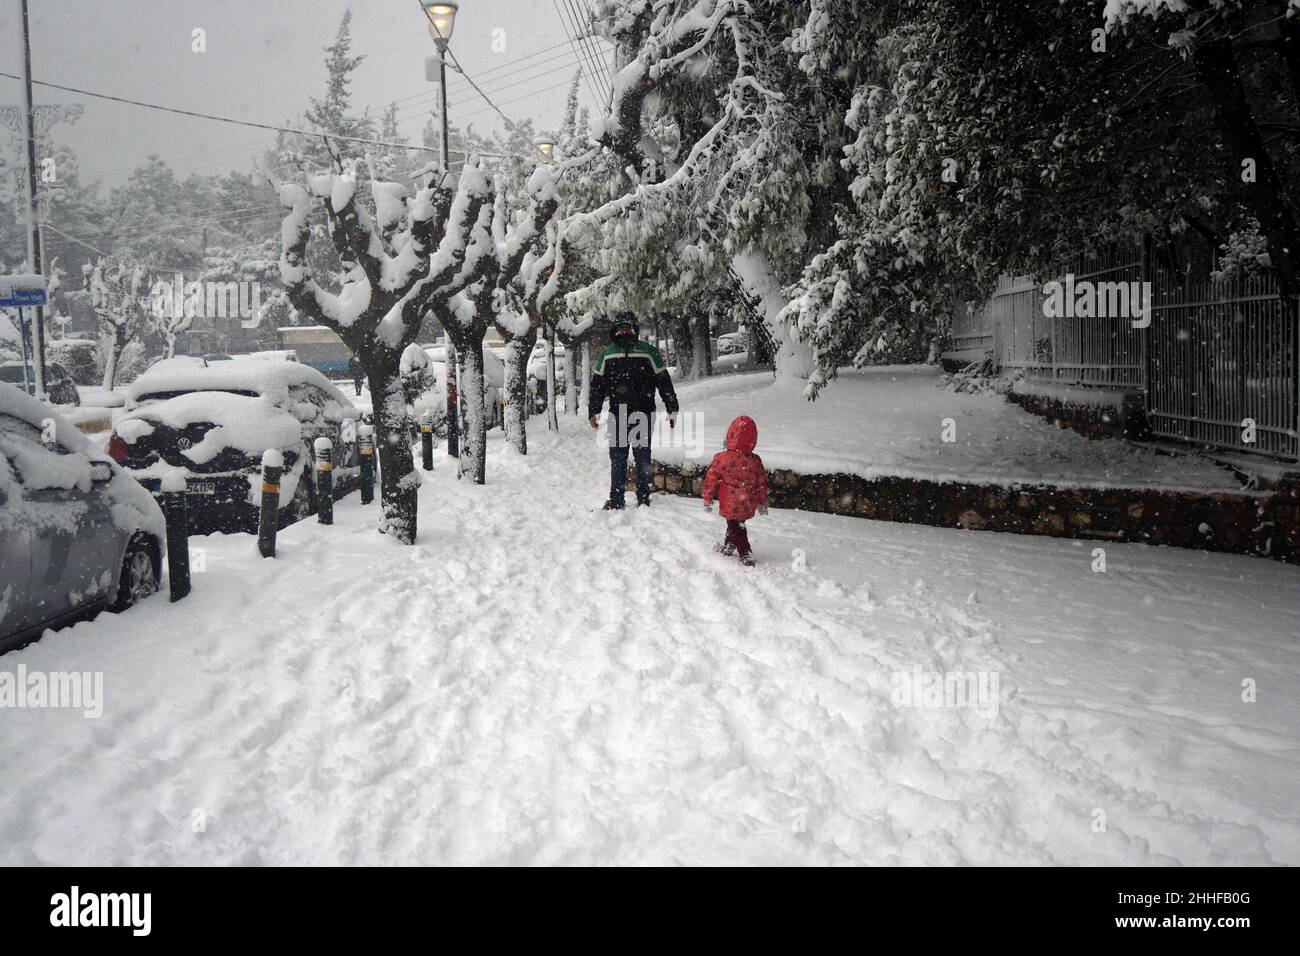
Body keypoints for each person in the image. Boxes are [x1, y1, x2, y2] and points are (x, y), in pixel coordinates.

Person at [588, 314, 679, 509]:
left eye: (628, 328)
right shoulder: (607, 354)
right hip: (617, 414)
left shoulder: (649, 352)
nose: (624, 332)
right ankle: (616, 499)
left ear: (634, 330)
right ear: (615, 331)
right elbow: (597, 386)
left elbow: (664, 382)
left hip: (644, 413)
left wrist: (672, 408)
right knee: (618, 458)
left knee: (642, 456)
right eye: (621, 328)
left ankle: (644, 498)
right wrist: (593, 411)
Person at [701, 415, 769, 566]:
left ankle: (746, 553)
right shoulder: (755, 461)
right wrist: (762, 501)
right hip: (747, 501)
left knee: (736, 526)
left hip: (730, 502)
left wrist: (708, 497)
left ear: (730, 435)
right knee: (737, 524)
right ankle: (729, 545)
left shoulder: (722, 458)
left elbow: (710, 479)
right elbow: (762, 483)